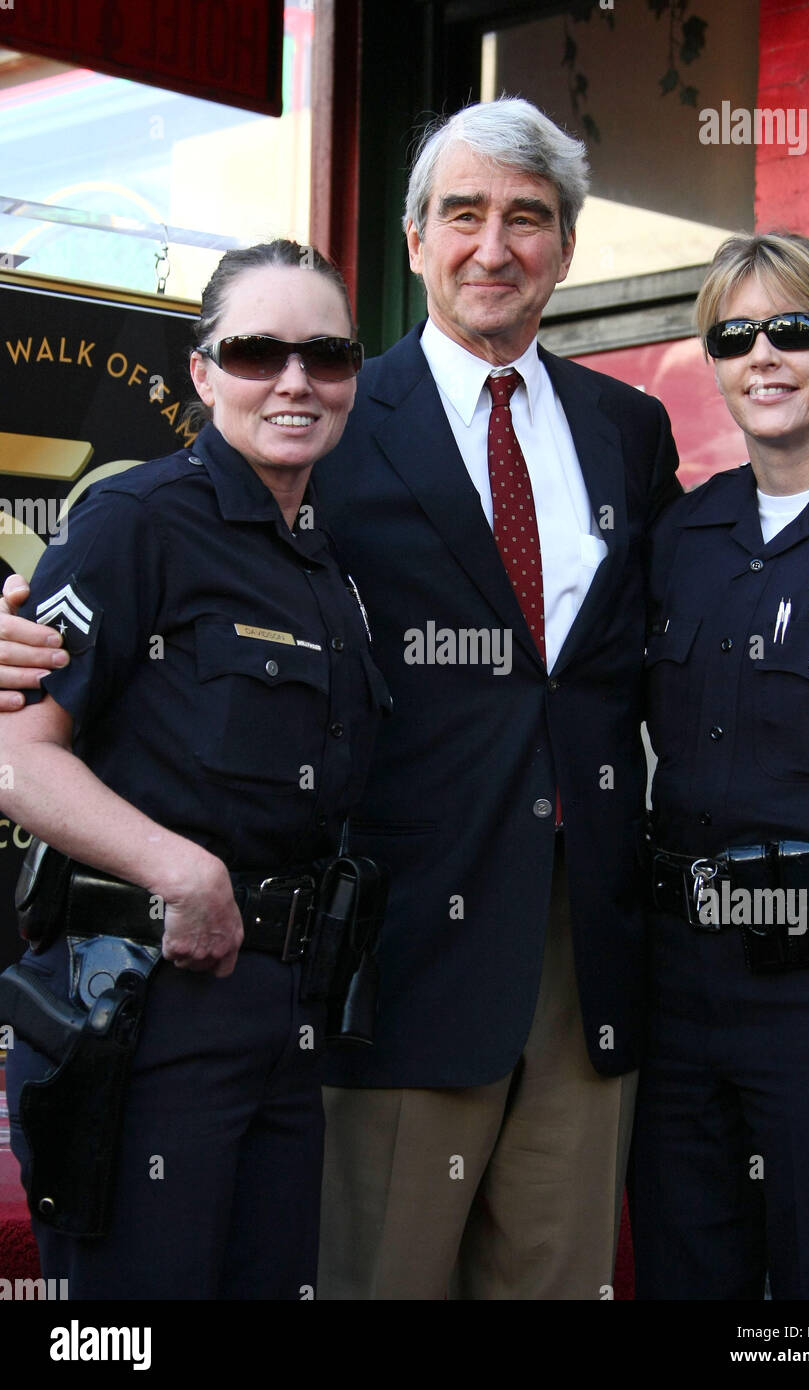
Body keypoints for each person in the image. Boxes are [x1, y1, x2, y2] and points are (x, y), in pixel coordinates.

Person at [0, 98, 680, 1300]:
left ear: (566, 249)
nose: (493, 245)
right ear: (413, 241)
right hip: (391, 955)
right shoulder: (322, 428)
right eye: (461, 213)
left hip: (583, 953)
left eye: (527, 218)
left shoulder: (630, 430)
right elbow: (135, 590)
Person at [0, 239, 389, 1299]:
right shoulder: (138, 522)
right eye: (258, 351)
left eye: (329, 353)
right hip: (145, 1006)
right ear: (204, 370)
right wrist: (182, 871)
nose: (296, 379)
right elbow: (15, 752)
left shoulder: (326, 555)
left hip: (284, 1007)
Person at [627, 231, 809, 1300]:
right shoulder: (680, 536)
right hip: (682, 986)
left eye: (794, 329)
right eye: (735, 334)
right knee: (687, 1270)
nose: (766, 356)